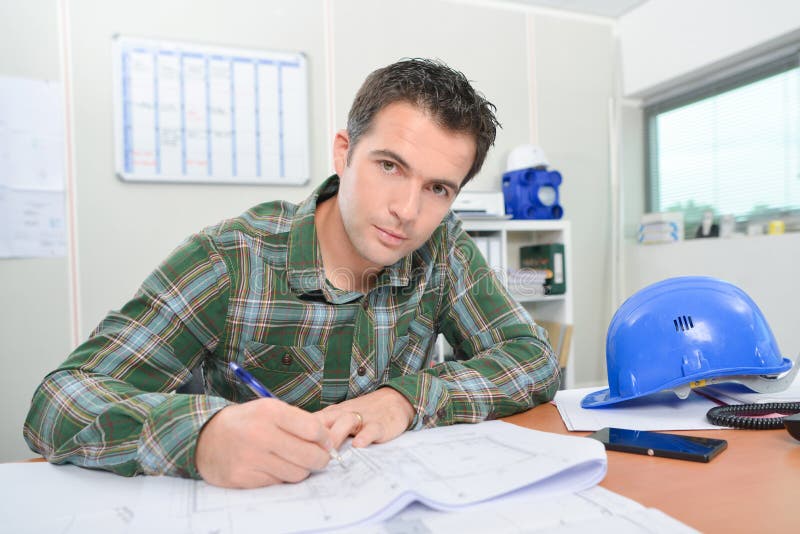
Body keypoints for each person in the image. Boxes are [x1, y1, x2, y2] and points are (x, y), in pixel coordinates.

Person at [24, 58, 560, 489]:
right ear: (344, 154)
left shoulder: (442, 249)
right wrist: (201, 436)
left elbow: (533, 359)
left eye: (437, 188)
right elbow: (59, 401)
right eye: (389, 166)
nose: (407, 209)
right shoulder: (229, 257)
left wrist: (407, 398)